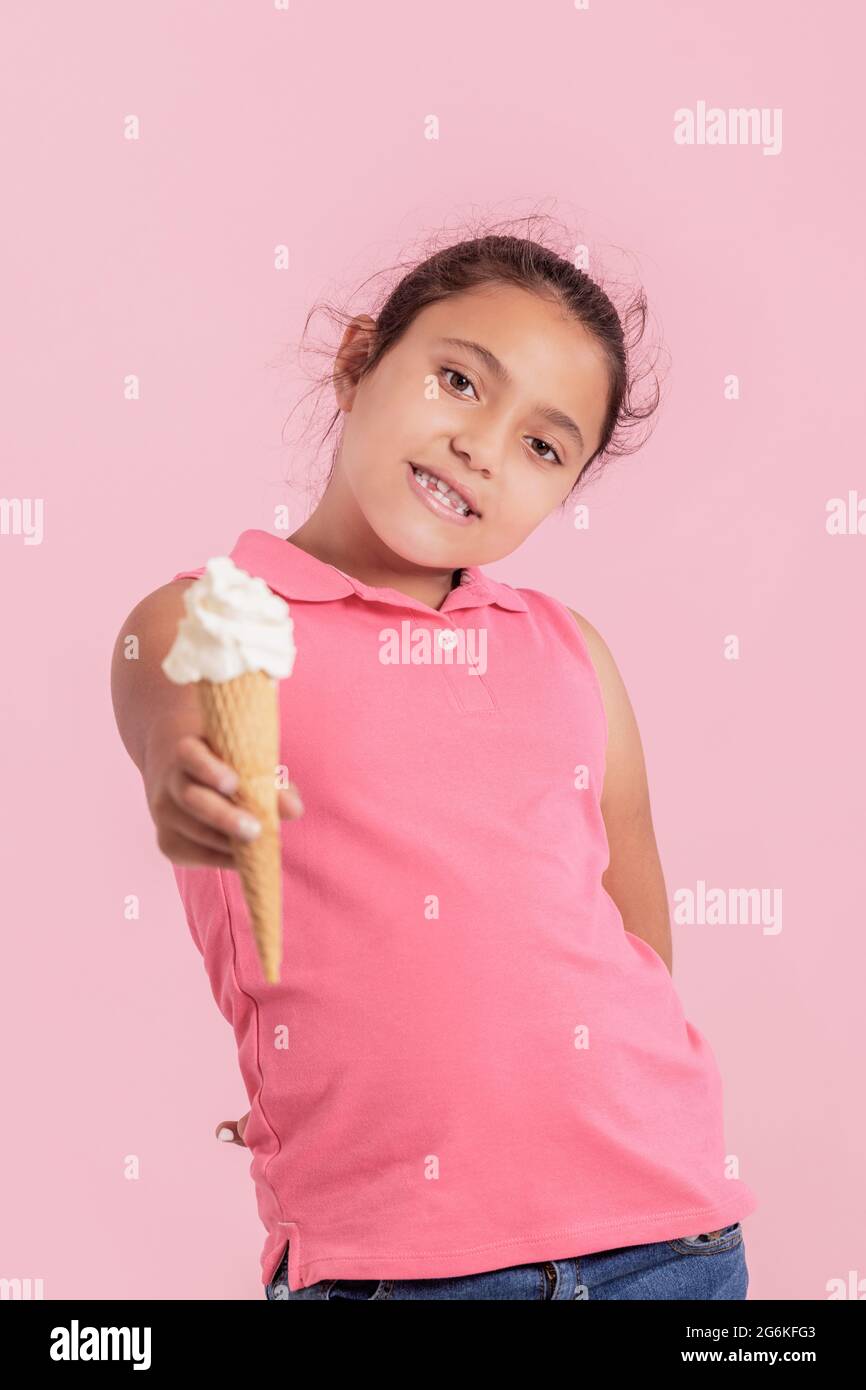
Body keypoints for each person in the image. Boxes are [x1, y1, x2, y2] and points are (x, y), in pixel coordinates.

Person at [111, 220, 757, 1300]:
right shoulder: (222, 614)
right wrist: (181, 764)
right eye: (458, 380)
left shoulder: (566, 649)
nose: (480, 445)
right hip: (400, 1269)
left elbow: (635, 932)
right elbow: (158, 682)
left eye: (542, 445)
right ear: (360, 357)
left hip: (667, 1239)